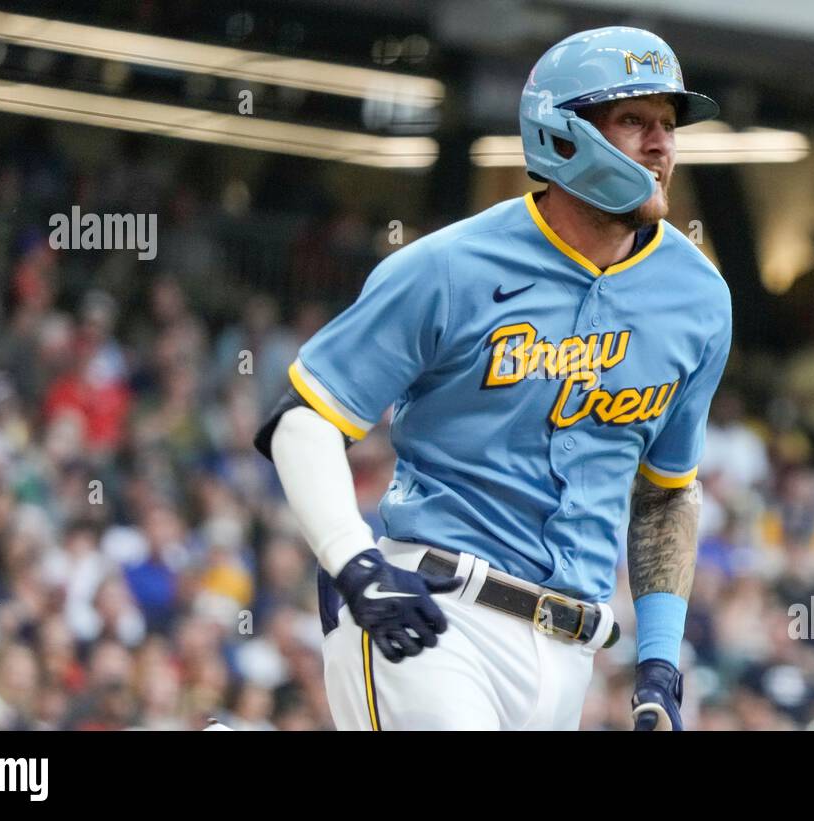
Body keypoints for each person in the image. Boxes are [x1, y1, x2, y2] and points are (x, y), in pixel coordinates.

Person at [254, 26, 732, 730]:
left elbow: (665, 496)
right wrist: (353, 561)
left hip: (571, 649)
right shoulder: (450, 267)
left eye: (668, 124)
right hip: (432, 610)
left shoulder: (698, 297)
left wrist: (658, 664)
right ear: (561, 134)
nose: (662, 145)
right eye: (635, 120)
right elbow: (303, 417)